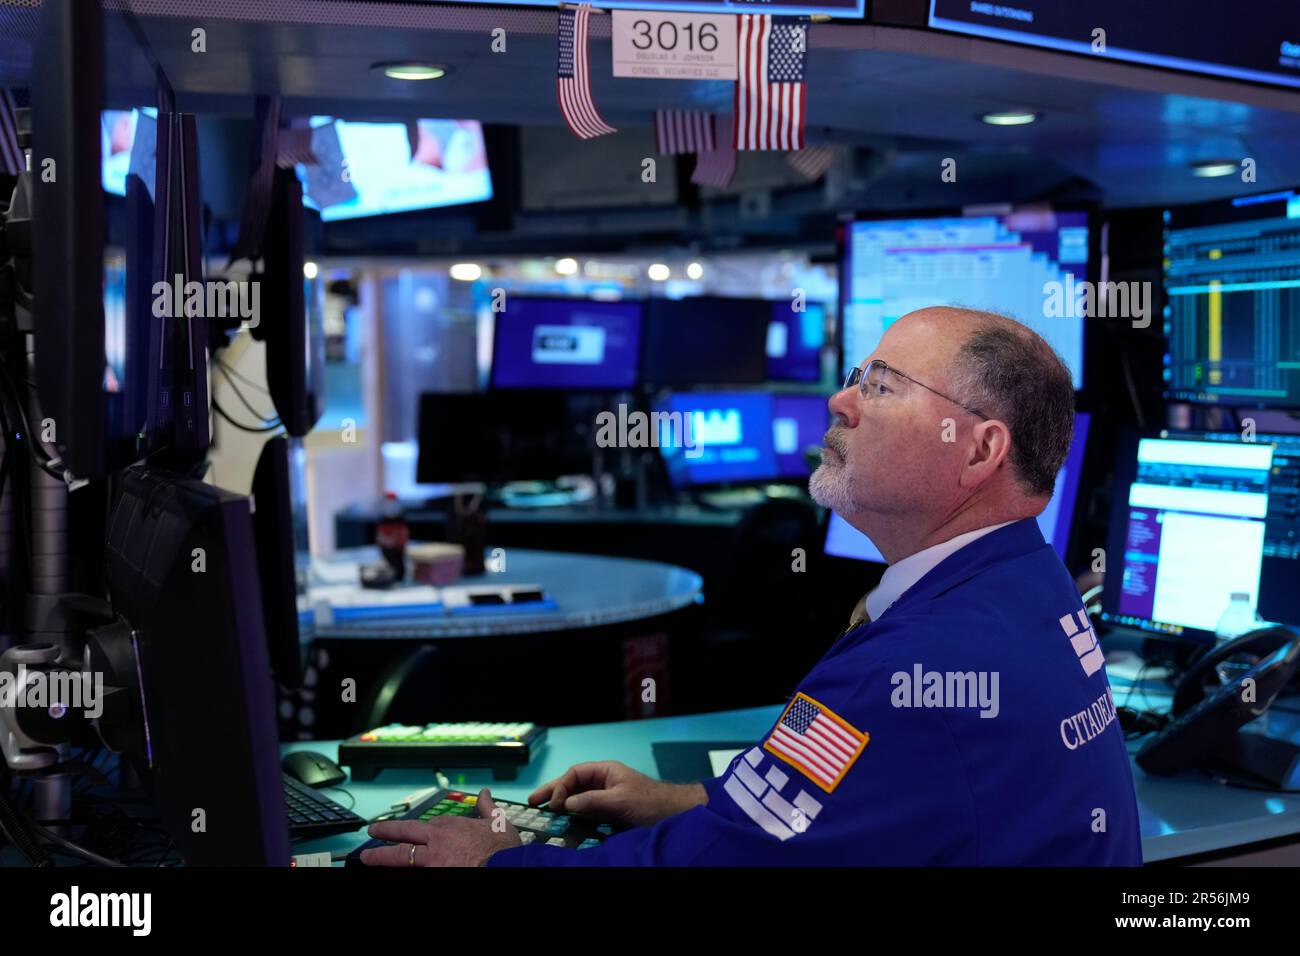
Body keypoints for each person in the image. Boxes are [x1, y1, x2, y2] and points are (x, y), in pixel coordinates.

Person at [362, 306, 1143, 867]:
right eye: (853, 378)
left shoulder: (905, 668)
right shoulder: (1032, 588)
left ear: (978, 451)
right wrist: (683, 800)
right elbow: (863, 803)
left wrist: (491, 863)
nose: (840, 402)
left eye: (880, 385)